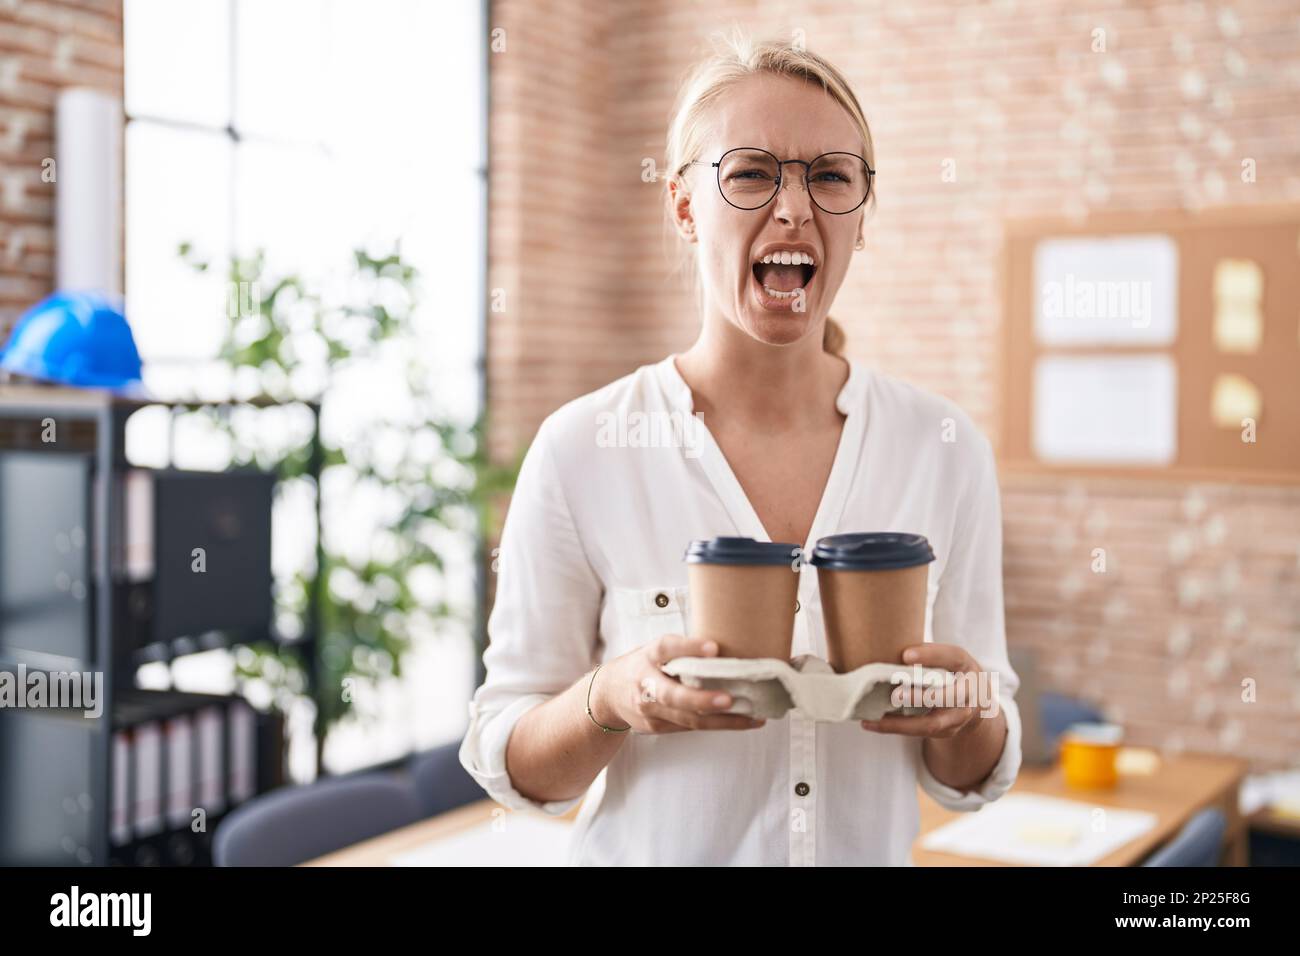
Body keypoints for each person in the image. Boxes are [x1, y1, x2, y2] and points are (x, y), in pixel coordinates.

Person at [459, 32, 1021, 865]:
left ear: (862, 216)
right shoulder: (582, 448)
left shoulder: (945, 450)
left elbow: (973, 771)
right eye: (752, 173)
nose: (793, 208)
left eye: (830, 177)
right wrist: (611, 698)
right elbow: (512, 757)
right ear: (686, 207)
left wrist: (968, 709)